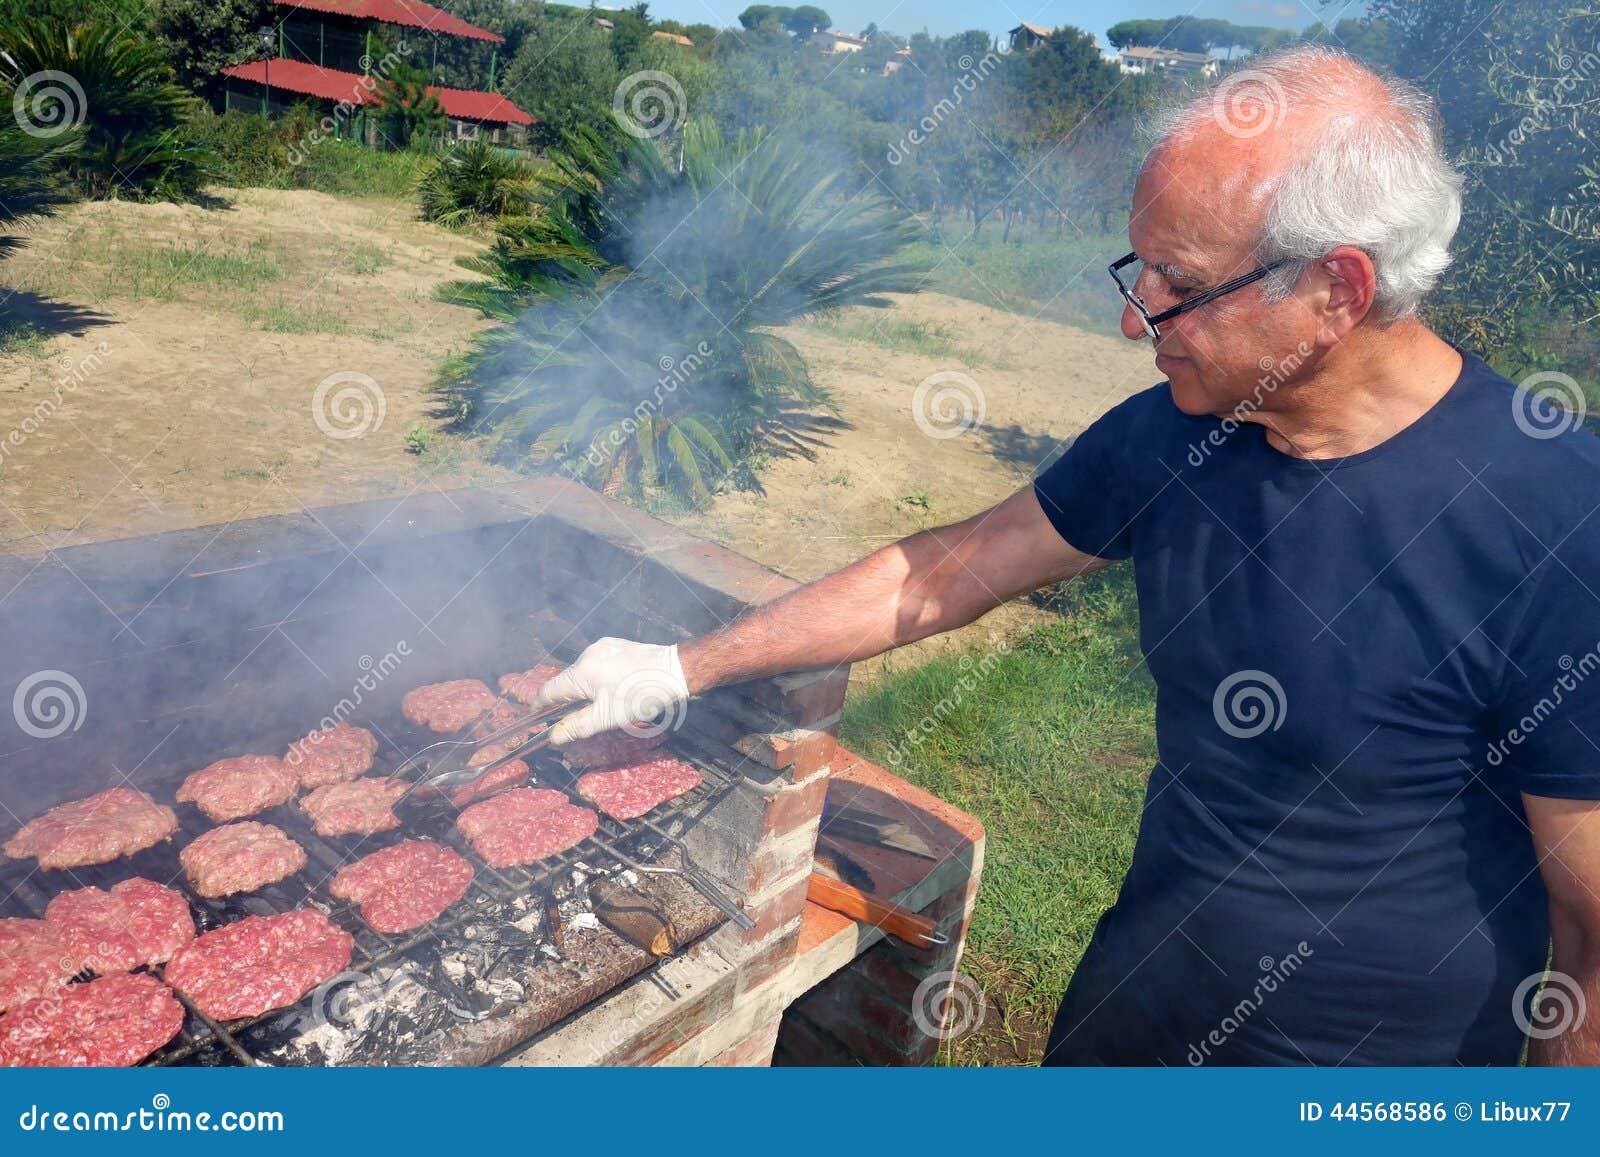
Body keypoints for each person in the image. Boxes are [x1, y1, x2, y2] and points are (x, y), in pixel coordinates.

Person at [530, 45, 1600, 1065]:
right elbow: (947, 569)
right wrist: (681, 667)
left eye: (1177, 282)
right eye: (1141, 266)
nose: (1140, 323)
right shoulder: (1178, 433)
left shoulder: (1552, 512)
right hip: (1131, 1005)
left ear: (1337, 291)